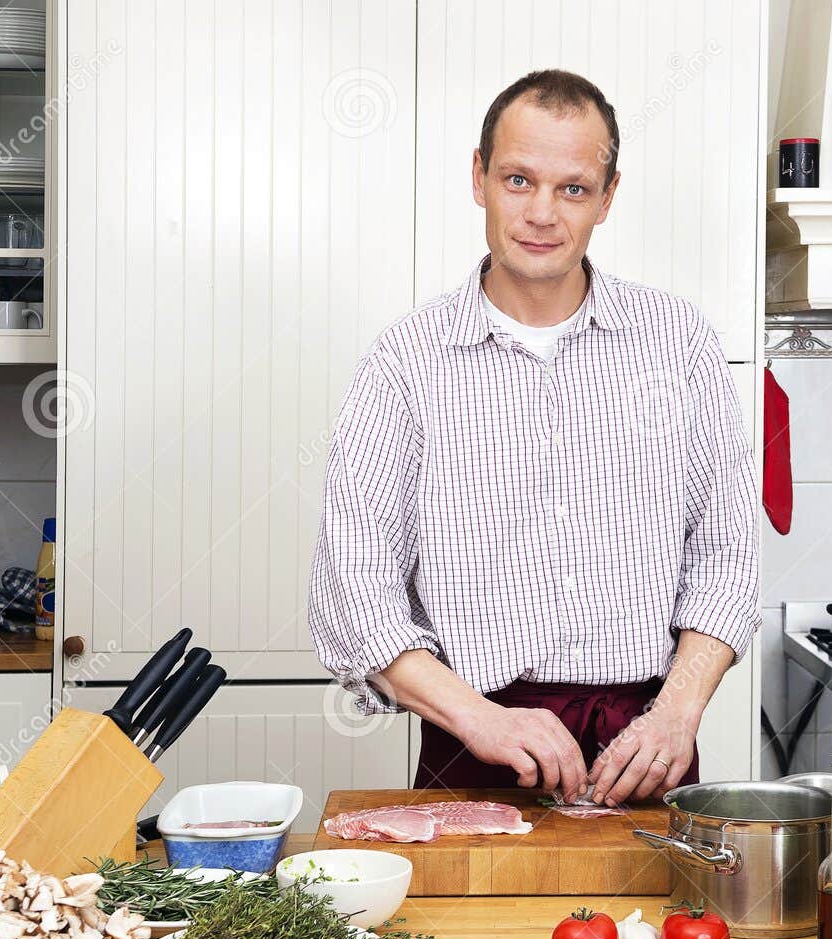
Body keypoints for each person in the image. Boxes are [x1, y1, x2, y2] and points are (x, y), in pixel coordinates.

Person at [308, 69, 757, 806]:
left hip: (646, 751)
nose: (542, 212)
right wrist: (477, 717)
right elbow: (354, 591)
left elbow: (730, 554)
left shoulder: (679, 345)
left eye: (573, 188)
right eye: (519, 179)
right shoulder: (403, 363)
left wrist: (678, 712)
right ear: (479, 177)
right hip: (476, 752)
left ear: (608, 197)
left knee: (661, 929)